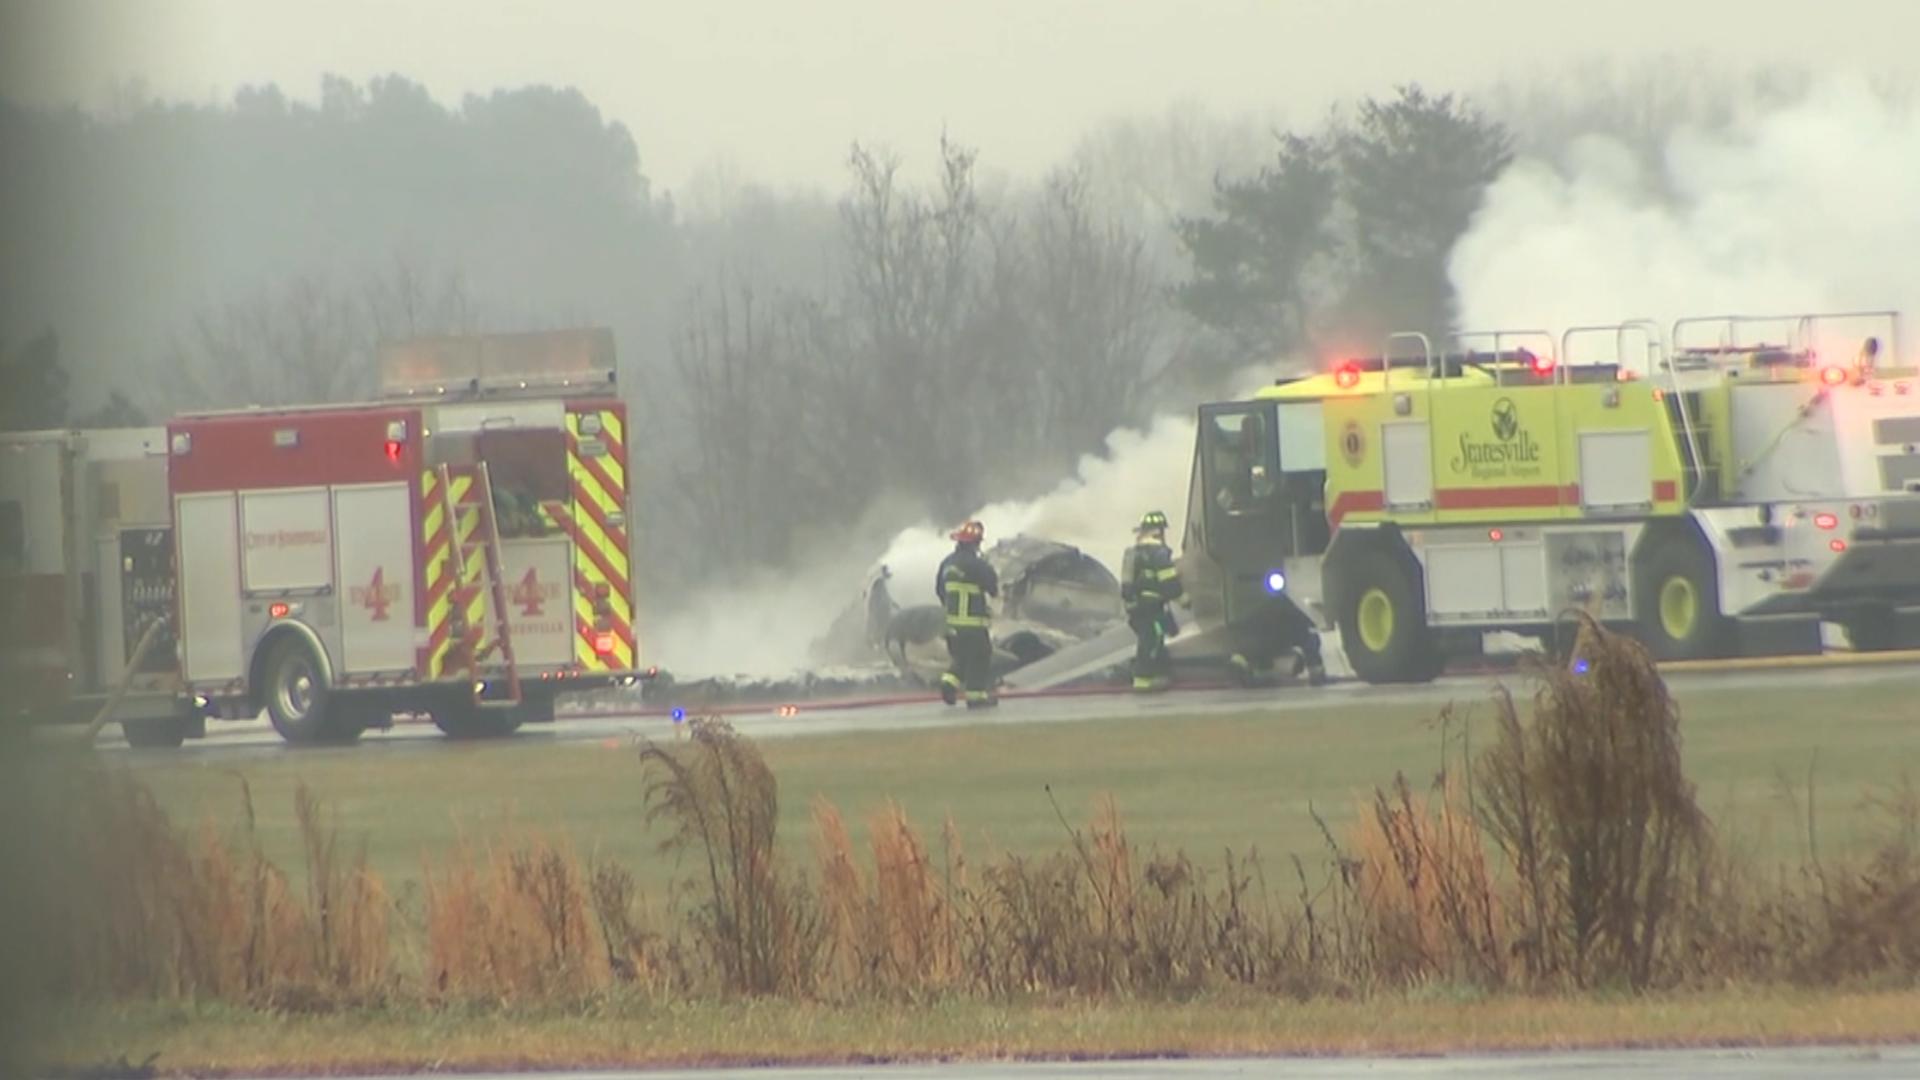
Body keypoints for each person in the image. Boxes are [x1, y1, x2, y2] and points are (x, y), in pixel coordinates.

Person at [936, 521, 999, 709]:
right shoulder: (978, 565)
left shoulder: (946, 564)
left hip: (952, 625)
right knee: (979, 657)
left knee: (962, 658)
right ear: (975, 544)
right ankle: (975, 697)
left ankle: (948, 683)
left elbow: (940, 591)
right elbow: (993, 588)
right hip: (973, 624)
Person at [1121, 510, 1184, 692]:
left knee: (1159, 636)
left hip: (1136, 608)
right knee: (1151, 641)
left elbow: (1127, 586)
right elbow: (1169, 583)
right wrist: (1184, 599)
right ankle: (1142, 681)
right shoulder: (1158, 554)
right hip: (1152, 607)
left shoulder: (1134, 553)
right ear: (1159, 531)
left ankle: (1161, 675)